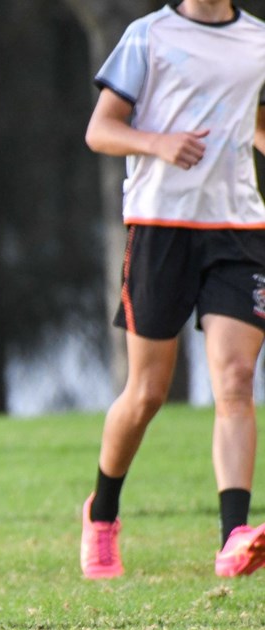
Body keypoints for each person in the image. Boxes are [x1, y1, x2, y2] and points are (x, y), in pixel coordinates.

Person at [80, 0, 265, 579]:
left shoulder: (258, 41)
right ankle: (102, 512)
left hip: (238, 230)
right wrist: (159, 143)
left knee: (234, 380)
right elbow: (100, 130)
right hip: (161, 227)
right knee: (147, 393)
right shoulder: (147, 37)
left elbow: (255, 122)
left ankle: (234, 536)